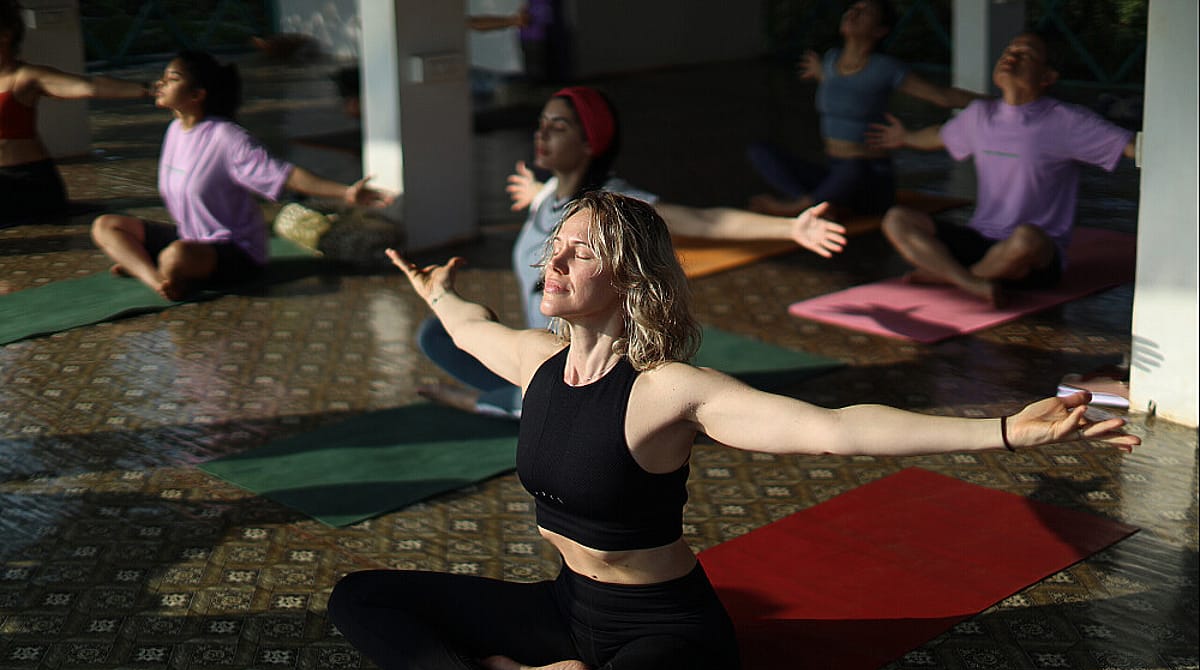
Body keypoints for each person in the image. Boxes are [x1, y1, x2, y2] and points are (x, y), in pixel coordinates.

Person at [326, 190, 1140, 670]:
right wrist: (438, 291)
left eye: (580, 250)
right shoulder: (538, 361)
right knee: (359, 597)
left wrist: (1004, 431)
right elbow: (470, 327)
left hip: (666, 631)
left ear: (628, 276)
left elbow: (835, 429)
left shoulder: (666, 390)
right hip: (567, 607)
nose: (555, 260)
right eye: (556, 246)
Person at [417, 85, 848, 417]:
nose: (541, 133)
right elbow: (554, 203)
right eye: (542, 123)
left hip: (590, 362)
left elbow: (704, 221)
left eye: (558, 126)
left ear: (590, 143)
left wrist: (791, 227)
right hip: (541, 351)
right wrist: (536, 193)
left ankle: (494, 403)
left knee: (538, 390)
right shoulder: (549, 195)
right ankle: (519, 397)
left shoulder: (615, 208)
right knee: (436, 333)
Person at [90, 51, 393, 301]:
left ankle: (157, 268)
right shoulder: (174, 131)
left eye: (172, 79)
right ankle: (157, 279)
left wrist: (345, 192)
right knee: (105, 226)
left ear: (197, 95)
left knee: (176, 257)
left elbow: (285, 175)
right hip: (191, 237)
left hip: (237, 251)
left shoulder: (227, 138)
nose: (160, 84)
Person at [868, 32, 1137, 306]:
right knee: (896, 219)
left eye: (1025, 54)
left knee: (1026, 238)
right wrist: (905, 137)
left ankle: (949, 276)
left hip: (1035, 257)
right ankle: (971, 282)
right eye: (1009, 51)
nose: (1011, 56)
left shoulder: (1068, 121)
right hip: (980, 239)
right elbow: (939, 135)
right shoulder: (980, 114)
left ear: (1047, 76)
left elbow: (1128, 145)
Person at [747, 0, 981, 219]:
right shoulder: (830, 60)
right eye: (853, 8)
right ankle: (820, 203)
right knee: (760, 151)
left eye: (865, 12)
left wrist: (995, 102)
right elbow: (846, 92)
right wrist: (822, 74)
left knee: (854, 167)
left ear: (879, 31)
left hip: (870, 179)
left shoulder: (886, 68)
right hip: (835, 172)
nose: (853, 13)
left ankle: (803, 206)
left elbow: (942, 97)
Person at [0, 0, 150, 225]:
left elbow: (90, 87)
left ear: (5, 35)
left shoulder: (26, 77)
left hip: (27, 180)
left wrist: (149, 89)